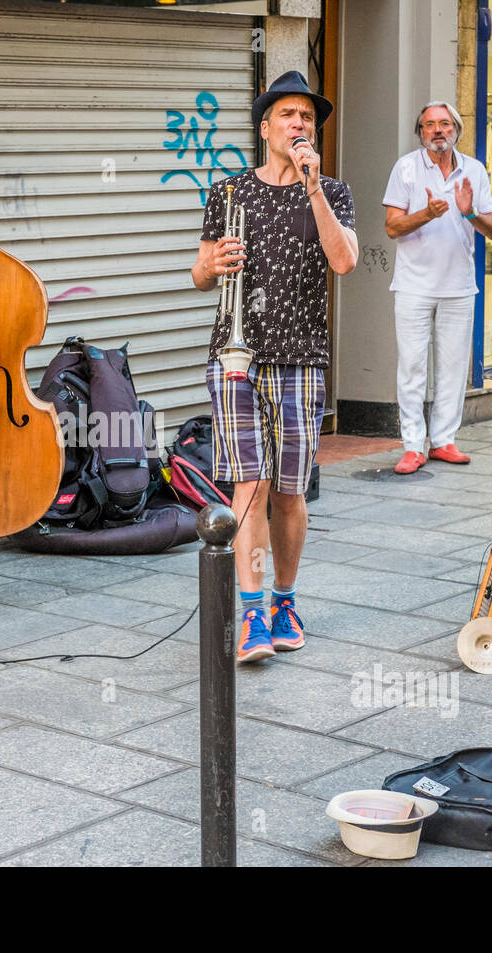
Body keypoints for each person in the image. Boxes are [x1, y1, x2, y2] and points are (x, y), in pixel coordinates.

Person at [190, 71, 357, 664]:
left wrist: (312, 187)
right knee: (249, 486)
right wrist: (213, 264)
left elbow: (344, 262)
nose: (299, 124)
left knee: (289, 490)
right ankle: (253, 612)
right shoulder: (230, 191)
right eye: (288, 115)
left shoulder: (332, 193)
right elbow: (200, 271)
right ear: (265, 128)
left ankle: (285, 599)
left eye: (307, 117)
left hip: (302, 358)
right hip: (237, 356)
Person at [382, 101, 492, 475]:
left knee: (452, 367)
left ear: (456, 131)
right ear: (421, 132)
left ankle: (445, 440)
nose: (438, 130)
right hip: (413, 285)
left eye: (445, 124)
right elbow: (391, 226)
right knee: (413, 365)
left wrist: (468, 211)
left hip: (459, 285)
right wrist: (426, 214)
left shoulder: (475, 171)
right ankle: (413, 445)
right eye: (430, 124)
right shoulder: (406, 168)